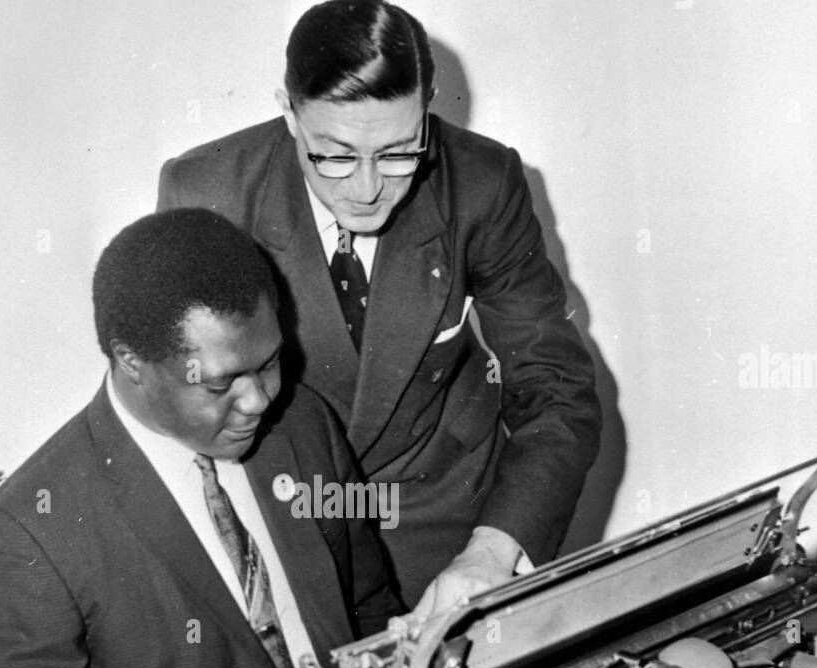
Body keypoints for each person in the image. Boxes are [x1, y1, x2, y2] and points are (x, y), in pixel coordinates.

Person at [0, 208, 402, 668]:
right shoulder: (34, 530)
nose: (260, 400)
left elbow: (368, 603)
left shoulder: (304, 427)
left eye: (270, 363)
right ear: (132, 360)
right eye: (223, 383)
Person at [158, 0, 601, 622]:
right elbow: (182, 410)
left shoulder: (482, 182)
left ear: (429, 105)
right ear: (288, 111)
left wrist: (493, 552)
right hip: (288, 527)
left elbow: (555, 388)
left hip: (446, 521)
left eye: (398, 152)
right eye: (335, 155)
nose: (366, 189)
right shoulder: (206, 195)